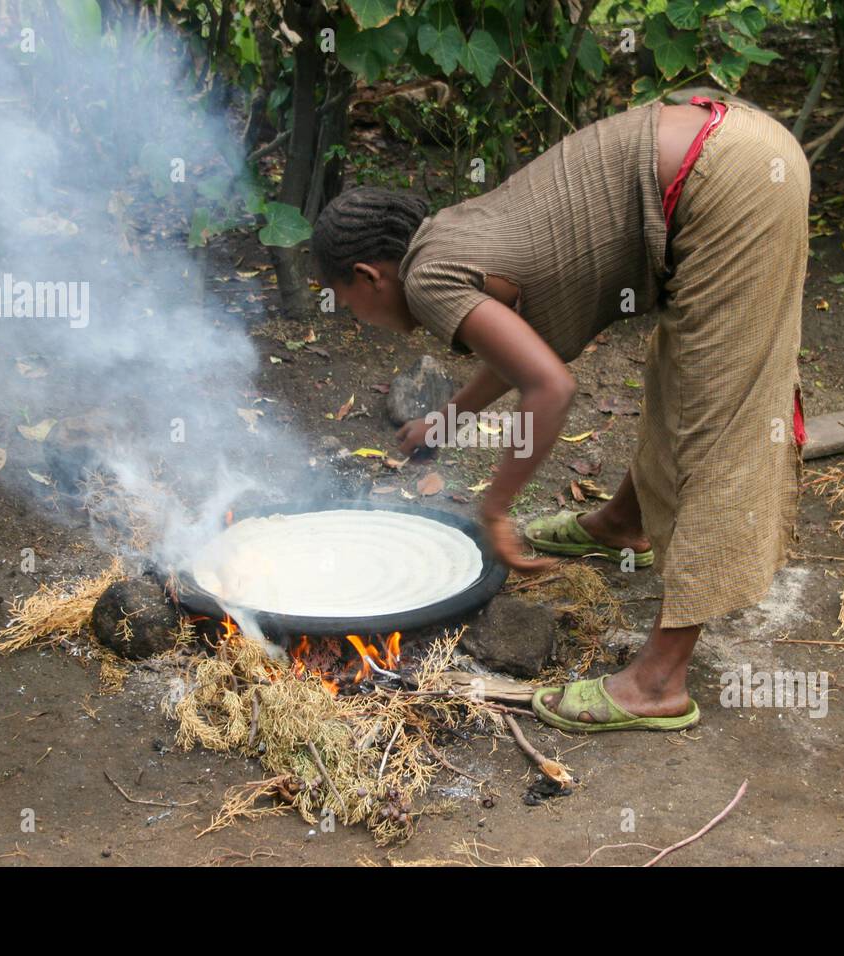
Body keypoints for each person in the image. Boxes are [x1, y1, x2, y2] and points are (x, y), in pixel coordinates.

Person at [310, 94, 810, 733]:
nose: (356, 319)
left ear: (366, 275)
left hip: (732, 181)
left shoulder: (427, 280)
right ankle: (621, 524)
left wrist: (494, 510)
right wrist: (447, 420)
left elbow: (550, 387)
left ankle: (658, 681)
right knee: (678, 370)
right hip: (730, 147)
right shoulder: (444, 240)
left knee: (721, 417)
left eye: (345, 302)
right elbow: (521, 351)